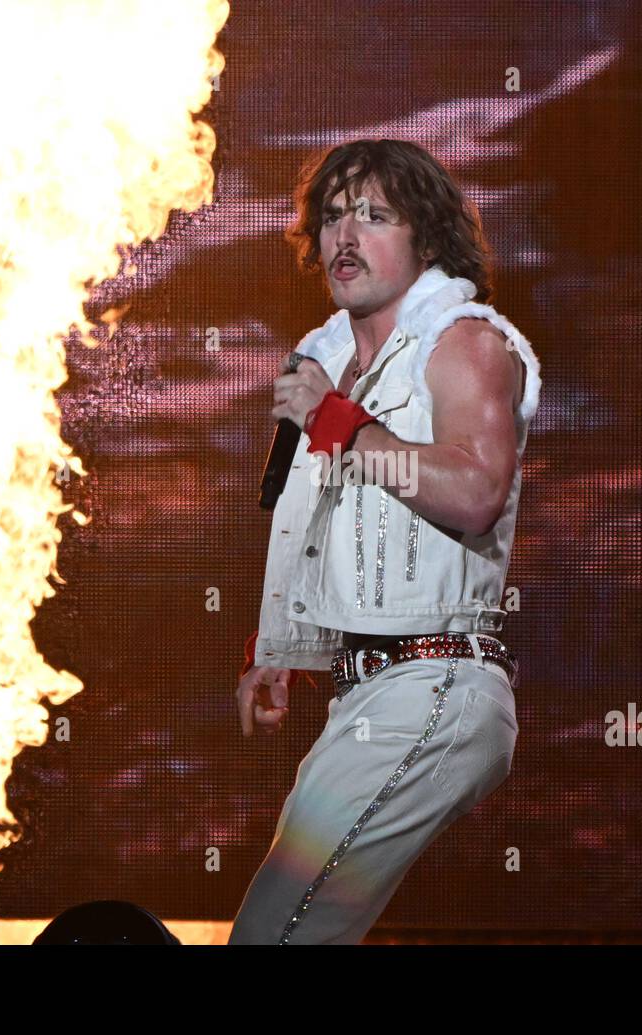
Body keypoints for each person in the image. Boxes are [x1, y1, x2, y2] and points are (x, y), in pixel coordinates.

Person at [228, 139, 542, 945]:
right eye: (333, 216)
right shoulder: (329, 364)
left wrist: (339, 425)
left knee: (276, 935)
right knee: (287, 927)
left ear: (427, 238)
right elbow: (319, 521)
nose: (345, 235)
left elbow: (476, 491)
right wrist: (278, 646)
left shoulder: (464, 343)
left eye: (374, 215)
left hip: (436, 684)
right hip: (367, 695)